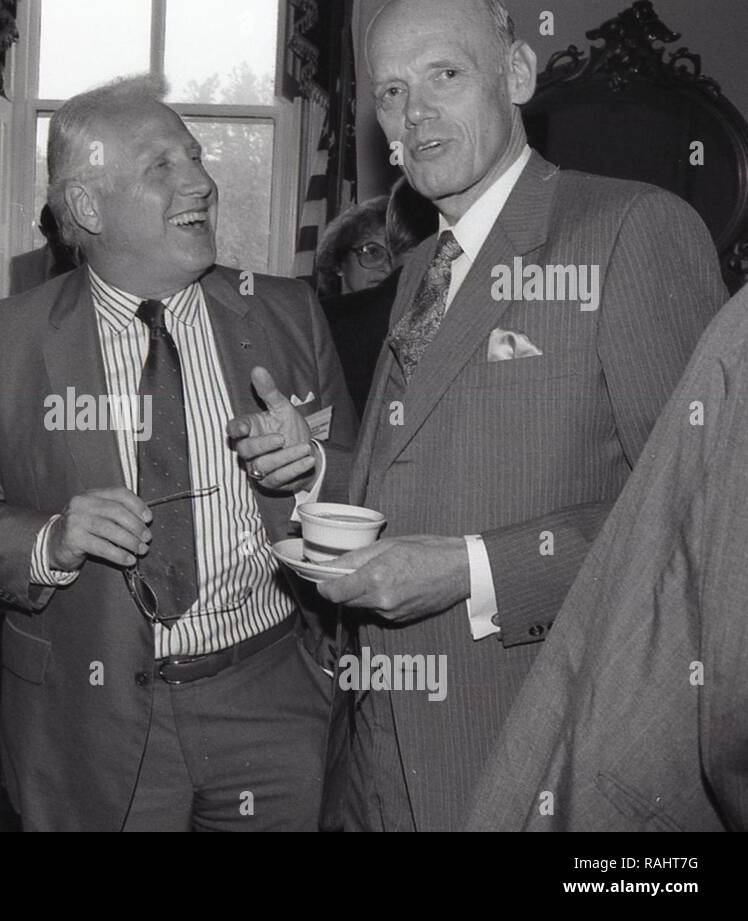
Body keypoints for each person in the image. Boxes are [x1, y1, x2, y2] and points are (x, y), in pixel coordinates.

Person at [234, 0, 726, 831]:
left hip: (536, 750)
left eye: (444, 75)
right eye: (390, 91)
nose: (414, 114)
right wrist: (311, 472)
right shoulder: (423, 263)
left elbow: (699, 522)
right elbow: (409, 476)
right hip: (373, 749)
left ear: (519, 77)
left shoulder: (631, 231)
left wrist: (472, 569)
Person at [0, 74, 357, 831]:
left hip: (271, 699)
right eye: (164, 166)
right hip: (89, 715)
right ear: (87, 206)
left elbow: (369, 472)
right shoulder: (7, 339)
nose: (204, 182)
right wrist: (52, 538)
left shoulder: (287, 314)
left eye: (196, 157)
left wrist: (313, 471)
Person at [466, 283, 748, 832]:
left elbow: (659, 513)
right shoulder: (414, 273)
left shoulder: (637, 225)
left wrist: (477, 566)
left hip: (613, 768)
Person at [319, 179, 435, 416]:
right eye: (372, 252)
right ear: (339, 262)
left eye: (391, 253)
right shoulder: (316, 324)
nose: (386, 265)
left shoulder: (412, 314)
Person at [314, 197, 393, 299]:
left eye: (394, 256)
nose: (388, 268)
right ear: (338, 264)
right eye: (373, 252)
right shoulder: (312, 314)